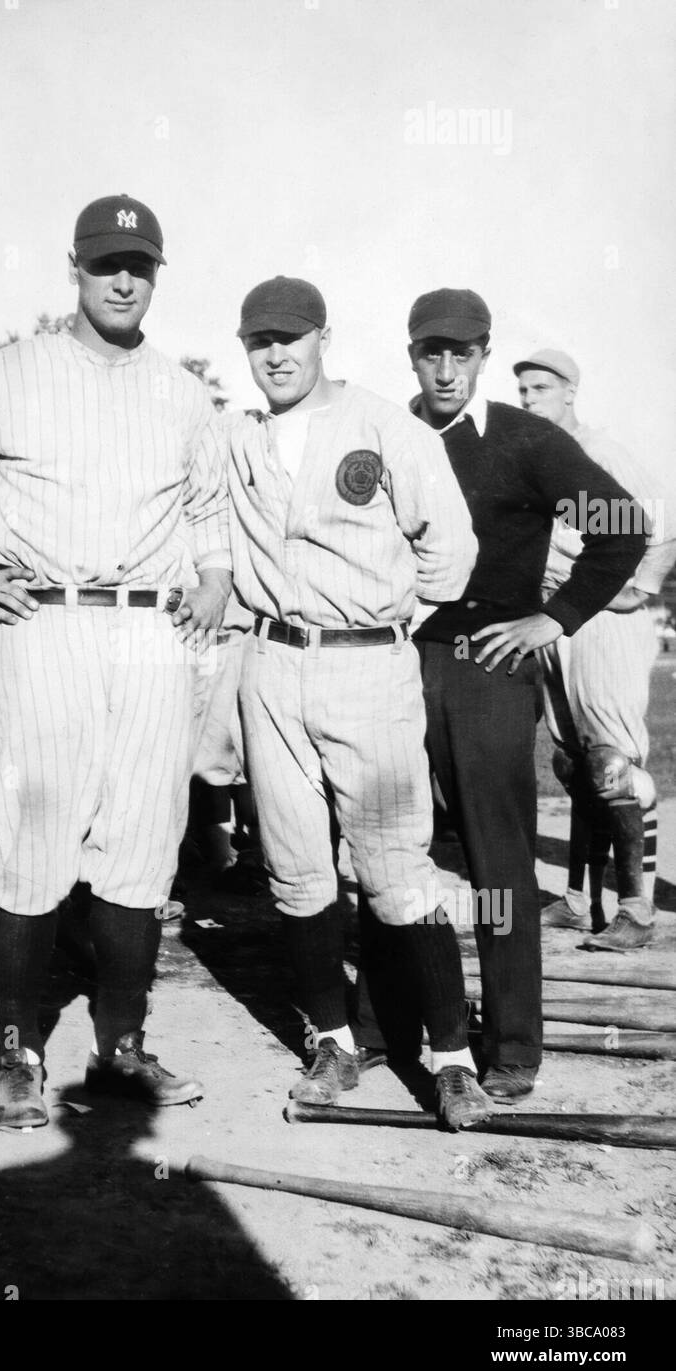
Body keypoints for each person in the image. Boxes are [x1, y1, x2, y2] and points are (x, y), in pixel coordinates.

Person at [0, 194, 230, 1129]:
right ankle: (19, 1052)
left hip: (150, 636)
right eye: (106, 261)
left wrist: (218, 576)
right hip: (42, 628)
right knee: (32, 847)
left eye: (141, 264)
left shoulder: (183, 390)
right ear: (71, 267)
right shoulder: (7, 376)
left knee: (141, 847)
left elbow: (209, 506)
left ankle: (120, 1047)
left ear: (158, 274)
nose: (123, 279)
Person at [226, 276, 488, 1129]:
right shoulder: (240, 437)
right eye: (260, 339)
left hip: (367, 667)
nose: (276, 353)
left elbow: (448, 549)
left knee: (396, 872)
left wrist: (392, 618)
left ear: (322, 337)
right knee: (297, 871)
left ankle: (451, 1060)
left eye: (290, 337)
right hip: (271, 663)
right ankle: (334, 1042)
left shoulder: (385, 425)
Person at [406, 290, 647, 1101]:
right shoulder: (386, 432)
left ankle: (513, 1045)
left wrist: (556, 617)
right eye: (431, 352)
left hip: (487, 665)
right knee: (387, 849)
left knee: (496, 860)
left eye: (462, 354)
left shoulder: (522, 440)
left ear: (482, 356)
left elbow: (623, 523)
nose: (446, 369)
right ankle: (385, 1025)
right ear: (412, 354)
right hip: (395, 663)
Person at [514, 349, 676, 951]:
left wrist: (642, 589)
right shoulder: (541, 460)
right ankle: (581, 903)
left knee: (613, 762)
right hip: (558, 617)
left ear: (571, 391)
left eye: (541, 389)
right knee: (572, 763)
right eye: (524, 390)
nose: (530, 399)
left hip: (604, 616)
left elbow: (662, 520)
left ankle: (637, 908)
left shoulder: (598, 454)